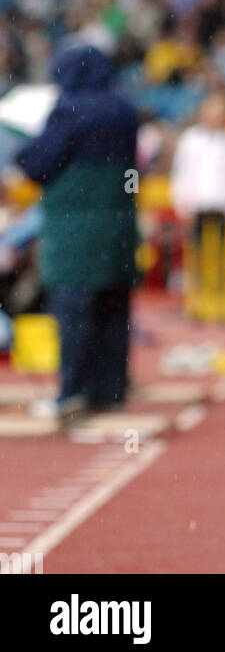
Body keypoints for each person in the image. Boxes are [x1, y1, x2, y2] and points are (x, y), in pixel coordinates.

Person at [14, 45, 140, 417]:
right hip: (119, 224)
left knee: (74, 312)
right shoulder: (125, 110)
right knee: (114, 310)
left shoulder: (69, 110)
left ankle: (73, 392)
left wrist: (23, 148)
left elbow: (38, 164)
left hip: (76, 231)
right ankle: (111, 391)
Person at [170, 92, 225, 314]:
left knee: (222, 254)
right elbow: (182, 172)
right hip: (199, 203)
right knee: (196, 254)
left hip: (224, 202)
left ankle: (221, 302)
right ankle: (197, 302)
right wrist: (182, 201)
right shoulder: (191, 139)